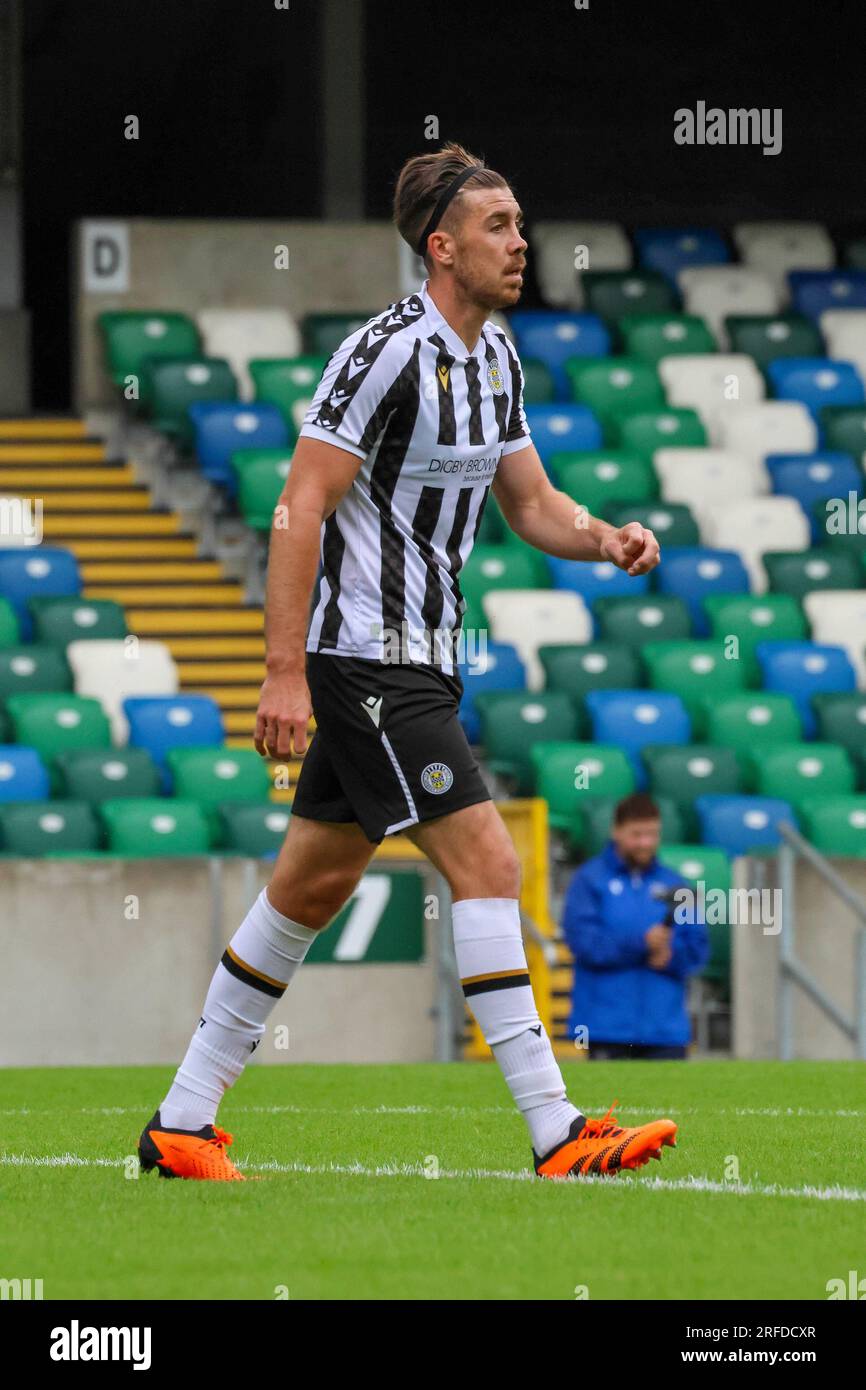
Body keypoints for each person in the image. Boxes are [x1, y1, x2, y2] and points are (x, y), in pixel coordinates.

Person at [138, 141, 676, 1182]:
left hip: (426, 658)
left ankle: (181, 1120)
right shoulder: (385, 350)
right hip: (363, 657)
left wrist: (602, 534)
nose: (519, 244)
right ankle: (556, 1129)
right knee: (486, 863)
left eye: (519, 225)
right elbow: (300, 503)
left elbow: (529, 505)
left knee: (307, 886)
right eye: (497, 227)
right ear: (440, 247)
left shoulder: (498, 357)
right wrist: (281, 670)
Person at [563, 794, 709, 1060]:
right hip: (605, 1029)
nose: (646, 843)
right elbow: (584, 943)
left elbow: (697, 947)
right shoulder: (589, 880)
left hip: (665, 1031)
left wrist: (670, 957)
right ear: (616, 831)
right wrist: (642, 943)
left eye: (653, 834)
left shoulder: (675, 883)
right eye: (637, 834)